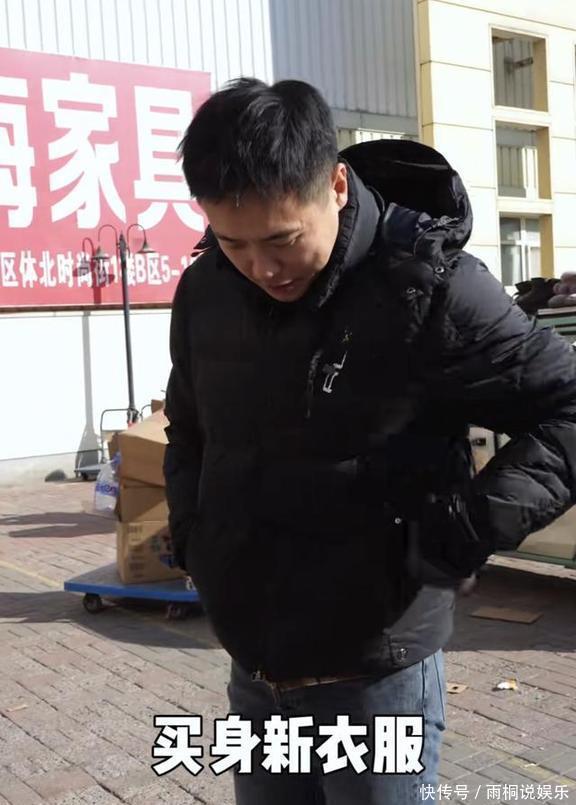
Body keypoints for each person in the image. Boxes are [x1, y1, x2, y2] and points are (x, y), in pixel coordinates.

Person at [163, 78, 576, 804]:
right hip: (256, 668)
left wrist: (465, 529)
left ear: (335, 185)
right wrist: (196, 535)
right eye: (233, 242)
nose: (262, 267)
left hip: (375, 672)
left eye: (282, 239)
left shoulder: (430, 288)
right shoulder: (207, 291)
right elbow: (191, 428)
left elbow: (567, 408)